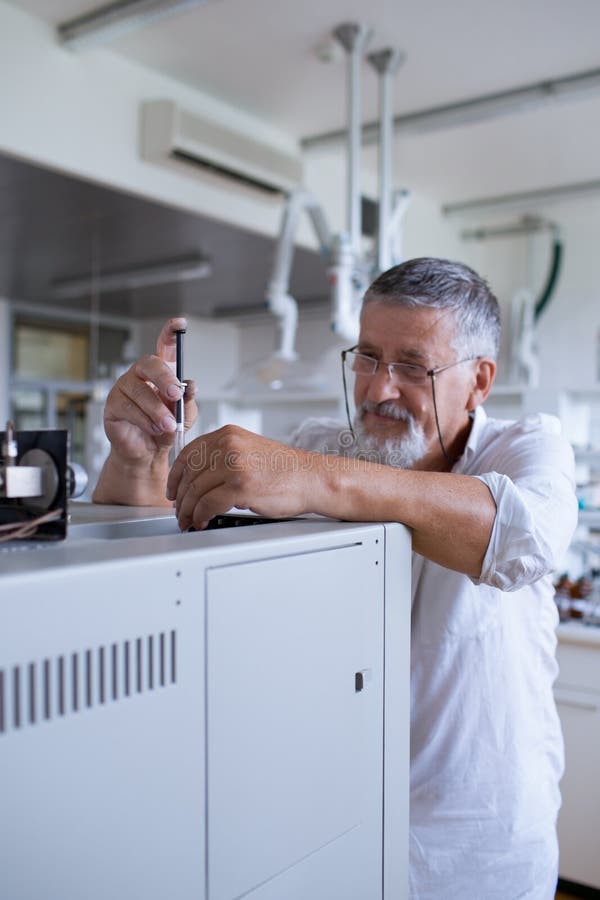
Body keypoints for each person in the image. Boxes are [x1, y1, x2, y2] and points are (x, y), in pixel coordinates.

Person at [93, 257, 578, 899]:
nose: (378, 390)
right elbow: (178, 538)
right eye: (367, 357)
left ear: (479, 381)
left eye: (413, 367)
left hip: (476, 856)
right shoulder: (323, 444)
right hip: (334, 833)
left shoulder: (525, 447)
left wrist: (313, 476)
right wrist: (142, 462)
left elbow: (525, 539)